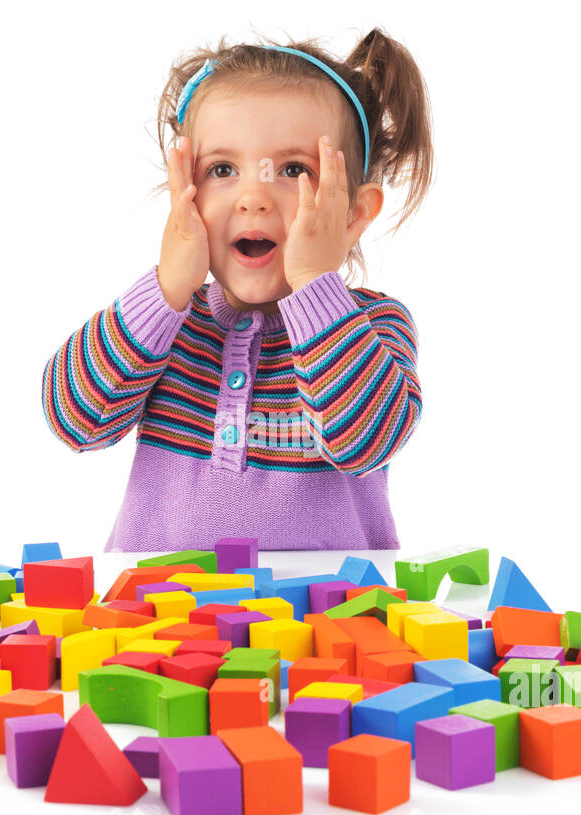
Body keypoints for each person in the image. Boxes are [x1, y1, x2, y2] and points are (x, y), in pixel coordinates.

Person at [42, 29, 434, 552]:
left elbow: (367, 439)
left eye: (293, 170)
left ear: (354, 214)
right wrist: (165, 290)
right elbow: (74, 419)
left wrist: (315, 289)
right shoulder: (165, 324)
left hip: (319, 627)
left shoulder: (374, 326)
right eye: (222, 170)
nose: (253, 198)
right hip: (157, 624)